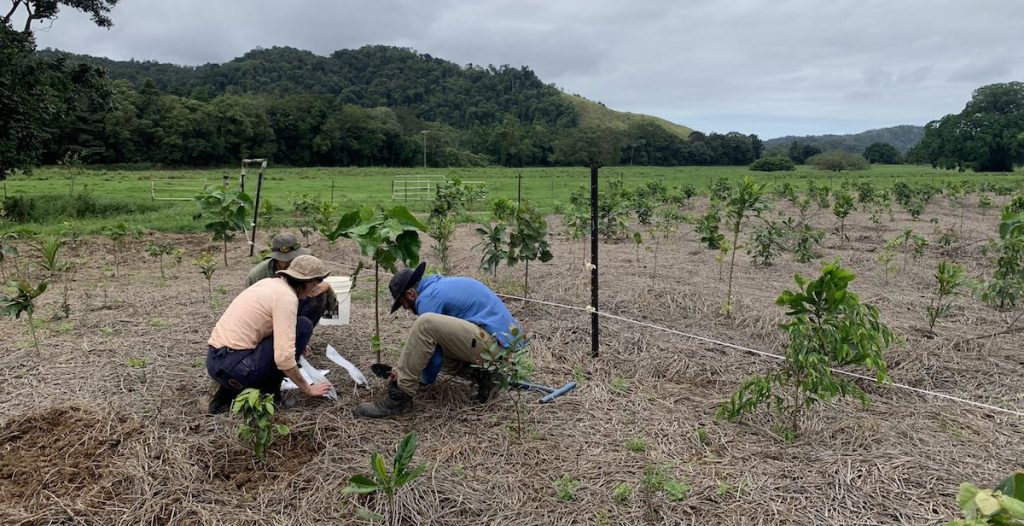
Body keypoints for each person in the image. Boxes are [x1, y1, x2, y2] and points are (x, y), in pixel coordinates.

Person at [354, 262, 524, 418]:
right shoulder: (437, 286)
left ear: (411, 294)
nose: (406, 309)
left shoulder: (428, 297)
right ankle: (486, 377)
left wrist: (417, 380)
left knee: (425, 324)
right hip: (501, 350)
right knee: (425, 345)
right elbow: (435, 349)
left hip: (497, 348)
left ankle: (399, 398)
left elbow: (433, 354)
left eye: (403, 303)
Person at [206, 254, 334, 414]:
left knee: (293, 331)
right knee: (303, 326)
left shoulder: (268, 283)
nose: (315, 287)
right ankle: (272, 396)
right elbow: (284, 358)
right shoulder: (286, 298)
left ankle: (227, 392)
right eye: (316, 282)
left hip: (215, 361)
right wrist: (308, 389)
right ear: (308, 282)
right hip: (238, 368)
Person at [246, 233, 337, 324]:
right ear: (276, 258)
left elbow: (332, 307)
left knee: (320, 293)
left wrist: (328, 288)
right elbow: (251, 309)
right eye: (288, 260)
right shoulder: (257, 275)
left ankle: (301, 331)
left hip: (297, 308)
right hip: (270, 316)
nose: (293, 262)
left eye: (295, 257)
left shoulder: (303, 266)